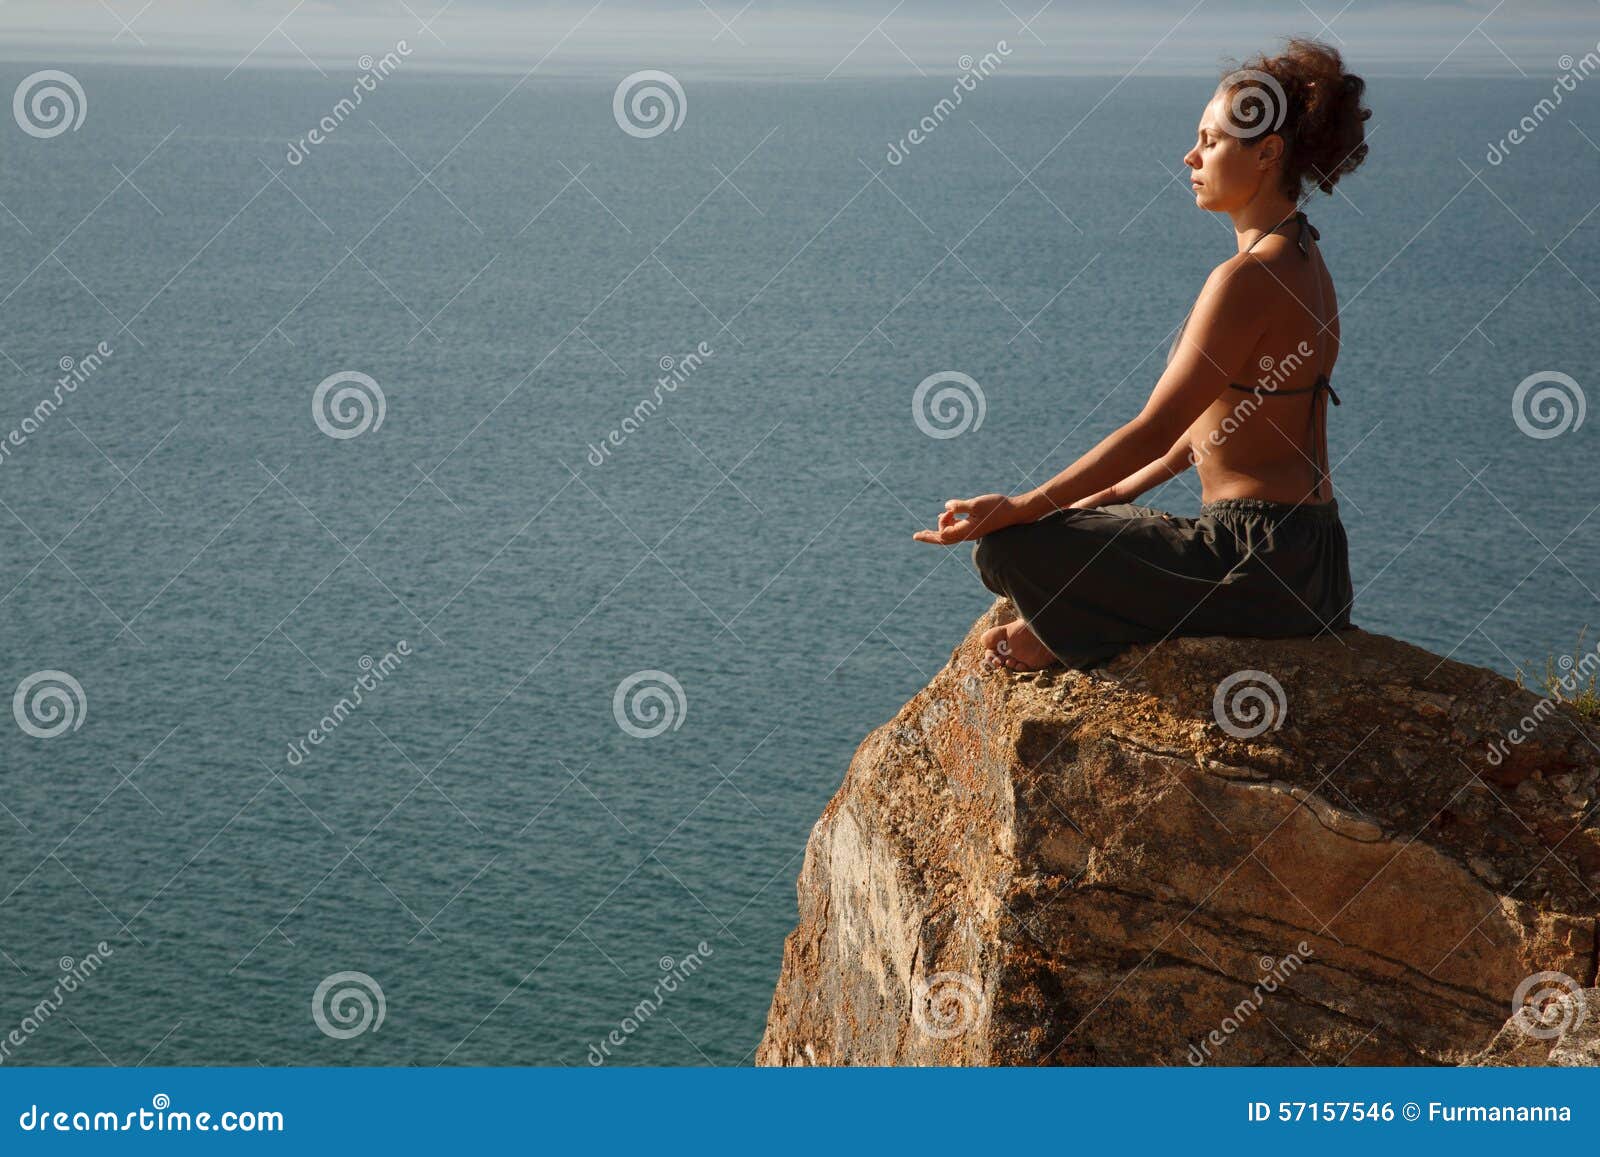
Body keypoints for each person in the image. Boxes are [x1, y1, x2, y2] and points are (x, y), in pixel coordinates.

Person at [913, 38, 1371, 672]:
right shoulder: (1306, 260)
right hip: (1319, 566)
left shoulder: (1245, 278)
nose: (1191, 155)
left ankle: (1065, 634)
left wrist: (1025, 507)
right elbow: (1205, 435)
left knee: (1005, 551)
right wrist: (1099, 499)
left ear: (1267, 152)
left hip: (1250, 560)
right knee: (1069, 526)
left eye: (1211, 141)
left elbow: (1156, 429)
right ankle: (1072, 621)